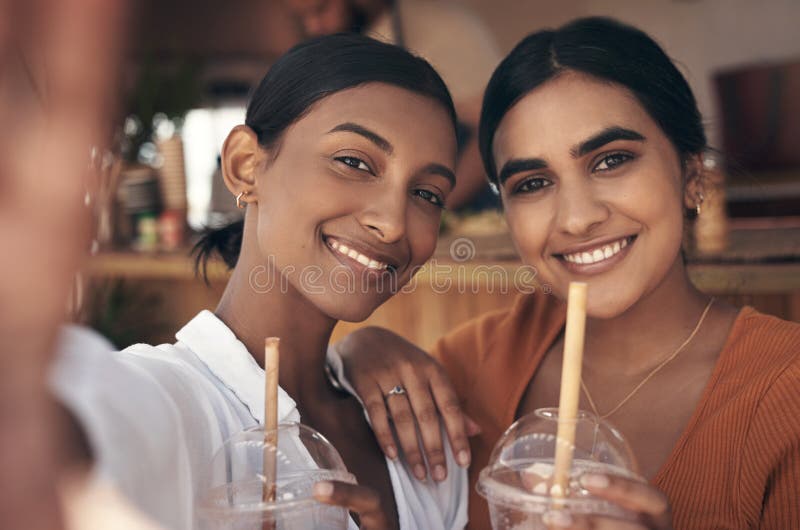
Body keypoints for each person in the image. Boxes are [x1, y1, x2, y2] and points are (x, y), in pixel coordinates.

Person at [329, 17, 800, 530]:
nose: (576, 218)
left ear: (691, 177)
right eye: (532, 183)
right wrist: (350, 359)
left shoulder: (785, 395)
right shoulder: (466, 371)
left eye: (611, 160)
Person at [51, 34, 468, 530]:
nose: (394, 223)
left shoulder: (419, 440)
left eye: (427, 193)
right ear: (245, 165)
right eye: (354, 162)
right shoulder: (166, 400)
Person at [283, 0, 502, 210]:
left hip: (466, 211)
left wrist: (439, 205)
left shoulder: (440, 28)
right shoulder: (342, 52)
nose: (313, 27)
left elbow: (491, 131)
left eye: (321, 8)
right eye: (301, 18)